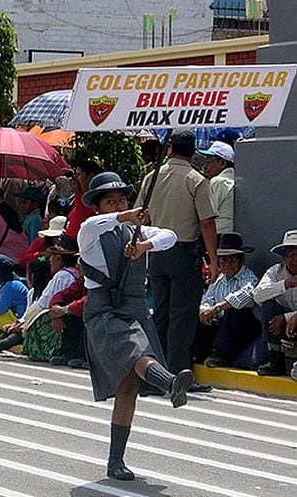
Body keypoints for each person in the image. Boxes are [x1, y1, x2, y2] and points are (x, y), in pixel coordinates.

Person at [77, 171, 191, 481]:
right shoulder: (90, 232)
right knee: (137, 351)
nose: (117, 205)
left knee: (128, 386)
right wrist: (125, 215)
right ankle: (169, 384)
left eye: (122, 199)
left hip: (135, 305)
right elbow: (93, 225)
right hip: (104, 309)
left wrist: (144, 246)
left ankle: (116, 460)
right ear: (98, 207)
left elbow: (169, 236)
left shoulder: (138, 232)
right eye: (109, 202)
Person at [136, 128, 219, 388]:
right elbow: (206, 223)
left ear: (170, 148)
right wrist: (214, 261)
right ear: (193, 151)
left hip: (155, 251)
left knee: (159, 314)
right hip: (183, 253)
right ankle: (178, 374)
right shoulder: (196, 179)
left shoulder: (151, 177)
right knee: (182, 317)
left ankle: (154, 376)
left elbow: (140, 215)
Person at [197, 232, 260, 369]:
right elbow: (207, 299)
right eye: (222, 260)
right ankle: (198, 353)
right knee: (200, 315)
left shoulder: (249, 278)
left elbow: (246, 296)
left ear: (241, 260)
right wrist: (205, 309)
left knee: (234, 310)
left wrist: (217, 308)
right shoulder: (219, 279)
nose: (226, 264)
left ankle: (222, 355)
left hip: (244, 330)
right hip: (222, 329)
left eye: (231, 260)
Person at [253, 230, 297, 378]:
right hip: (282, 327)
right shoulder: (275, 271)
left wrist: (289, 317)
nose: (295, 259)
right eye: (291, 254)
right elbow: (258, 295)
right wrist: (285, 284)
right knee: (268, 307)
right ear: (284, 257)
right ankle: (275, 360)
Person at [197, 141, 235, 235]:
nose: (205, 166)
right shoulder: (233, 179)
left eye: (209, 161)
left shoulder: (219, 182)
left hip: (218, 236)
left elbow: (206, 215)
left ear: (222, 163)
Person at [63, 159, 102, 240]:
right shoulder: (78, 197)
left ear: (90, 177)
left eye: (78, 175)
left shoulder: (96, 201)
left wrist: (78, 191)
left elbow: (82, 213)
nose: (75, 179)